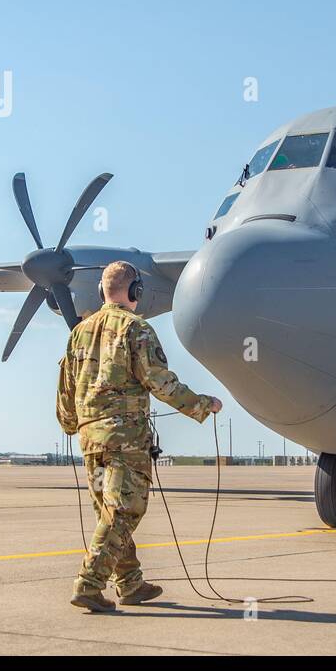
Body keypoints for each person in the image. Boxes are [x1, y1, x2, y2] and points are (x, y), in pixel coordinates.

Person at [57, 261, 223, 612]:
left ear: (102, 291)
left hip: (90, 440)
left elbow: (66, 390)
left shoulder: (79, 332)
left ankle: (130, 584)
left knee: (110, 511)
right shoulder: (136, 329)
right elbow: (161, 382)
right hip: (124, 440)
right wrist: (202, 405)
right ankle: (89, 583)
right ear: (136, 292)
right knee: (124, 510)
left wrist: (73, 425)